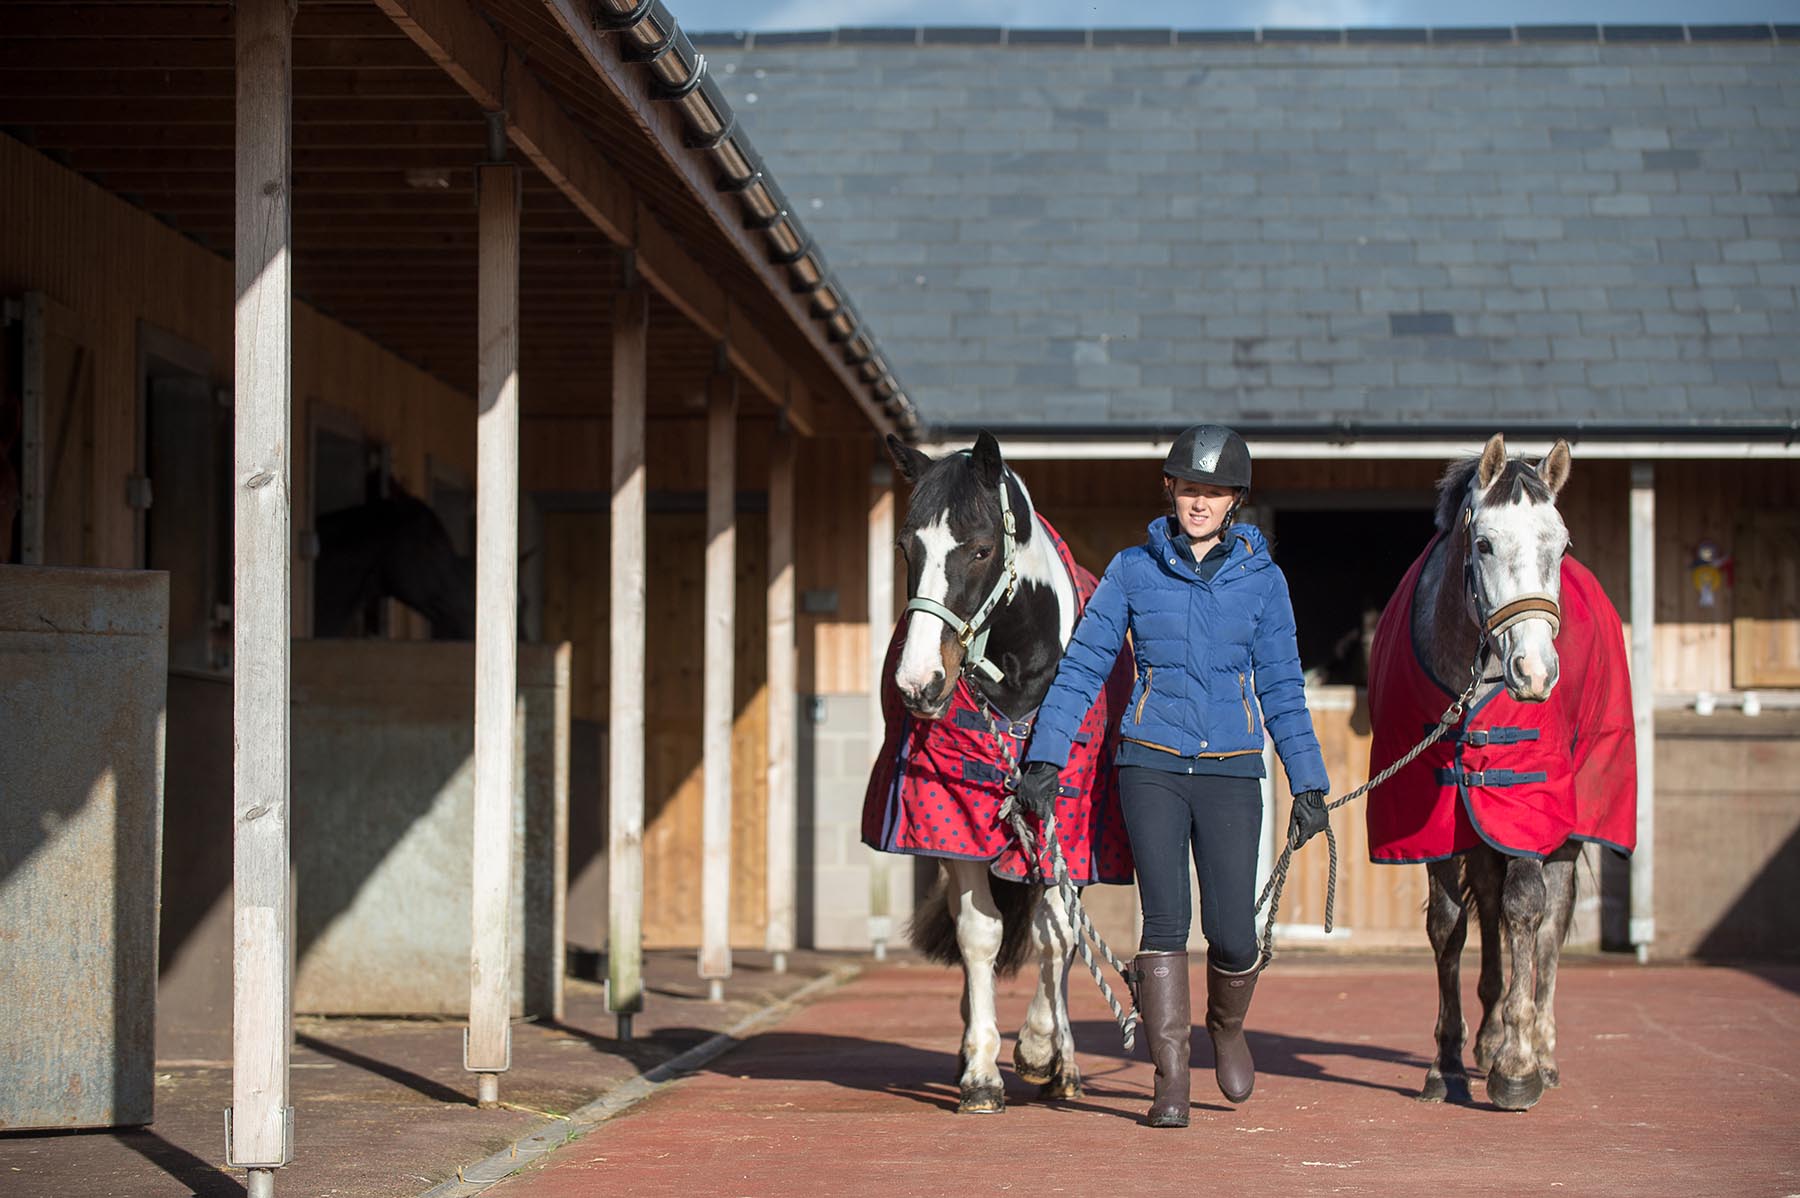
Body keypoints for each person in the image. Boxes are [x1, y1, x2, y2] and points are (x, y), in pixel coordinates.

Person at [1016, 424, 1331, 1129]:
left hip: (1230, 769)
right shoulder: (1133, 569)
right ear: (1171, 491)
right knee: (1164, 924)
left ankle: (1225, 1026)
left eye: (1214, 492)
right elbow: (1085, 666)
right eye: (1190, 488)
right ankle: (1171, 1080)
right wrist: (1045, 756)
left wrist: (1308, 783)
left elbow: (1282, 685)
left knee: (1233, 933)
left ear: (1234, 501)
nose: (1200, 502)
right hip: (1150, 764)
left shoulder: (1264, 581)